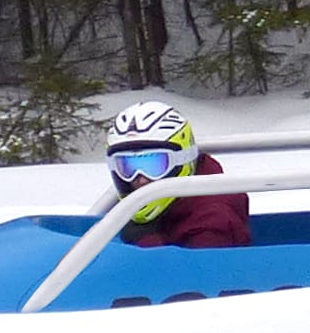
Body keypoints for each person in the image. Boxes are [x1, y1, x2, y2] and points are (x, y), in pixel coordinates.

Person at [103, 100, 251, 248]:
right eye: (128, 167)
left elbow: (195, 269)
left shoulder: (212, 222)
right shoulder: (175, 206)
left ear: (182, 161)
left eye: (154, 165)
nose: (141, 179)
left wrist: (146, 242)